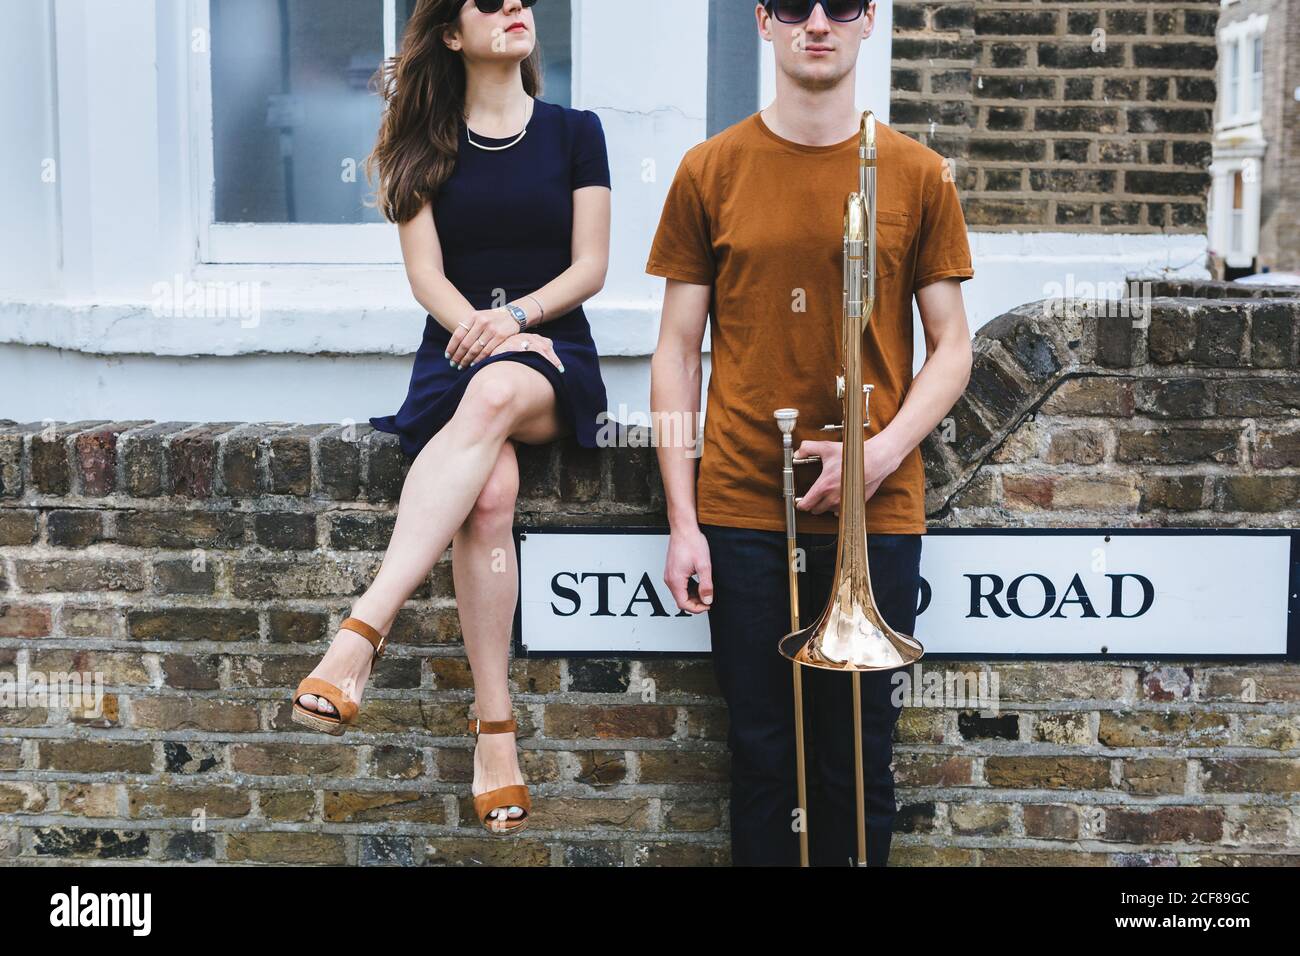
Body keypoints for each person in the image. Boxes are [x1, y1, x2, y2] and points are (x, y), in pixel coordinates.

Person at [646, 0, 974, 865]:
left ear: (871, 21)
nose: (816, 22)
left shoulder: (918, 173)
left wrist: (879, 453)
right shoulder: (707, 169)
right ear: (763, 21)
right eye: (794, 4)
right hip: (744, 511)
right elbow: (677, 354)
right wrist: (684, 522)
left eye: (840, 4)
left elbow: (953, 347)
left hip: (880, 509)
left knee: (859, 767)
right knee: (761, 760)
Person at [289, 0, 612, 835]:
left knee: (502, 392)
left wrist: (519, 322)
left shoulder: (577, 131)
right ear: (451, 34)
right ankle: (495, 732)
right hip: (453, 360)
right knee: (491, 493)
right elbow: (425, 277)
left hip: (550, 355)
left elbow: (591, 267)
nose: (514, 7)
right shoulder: (420, 144)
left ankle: (363, 631)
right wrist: (480, 329)